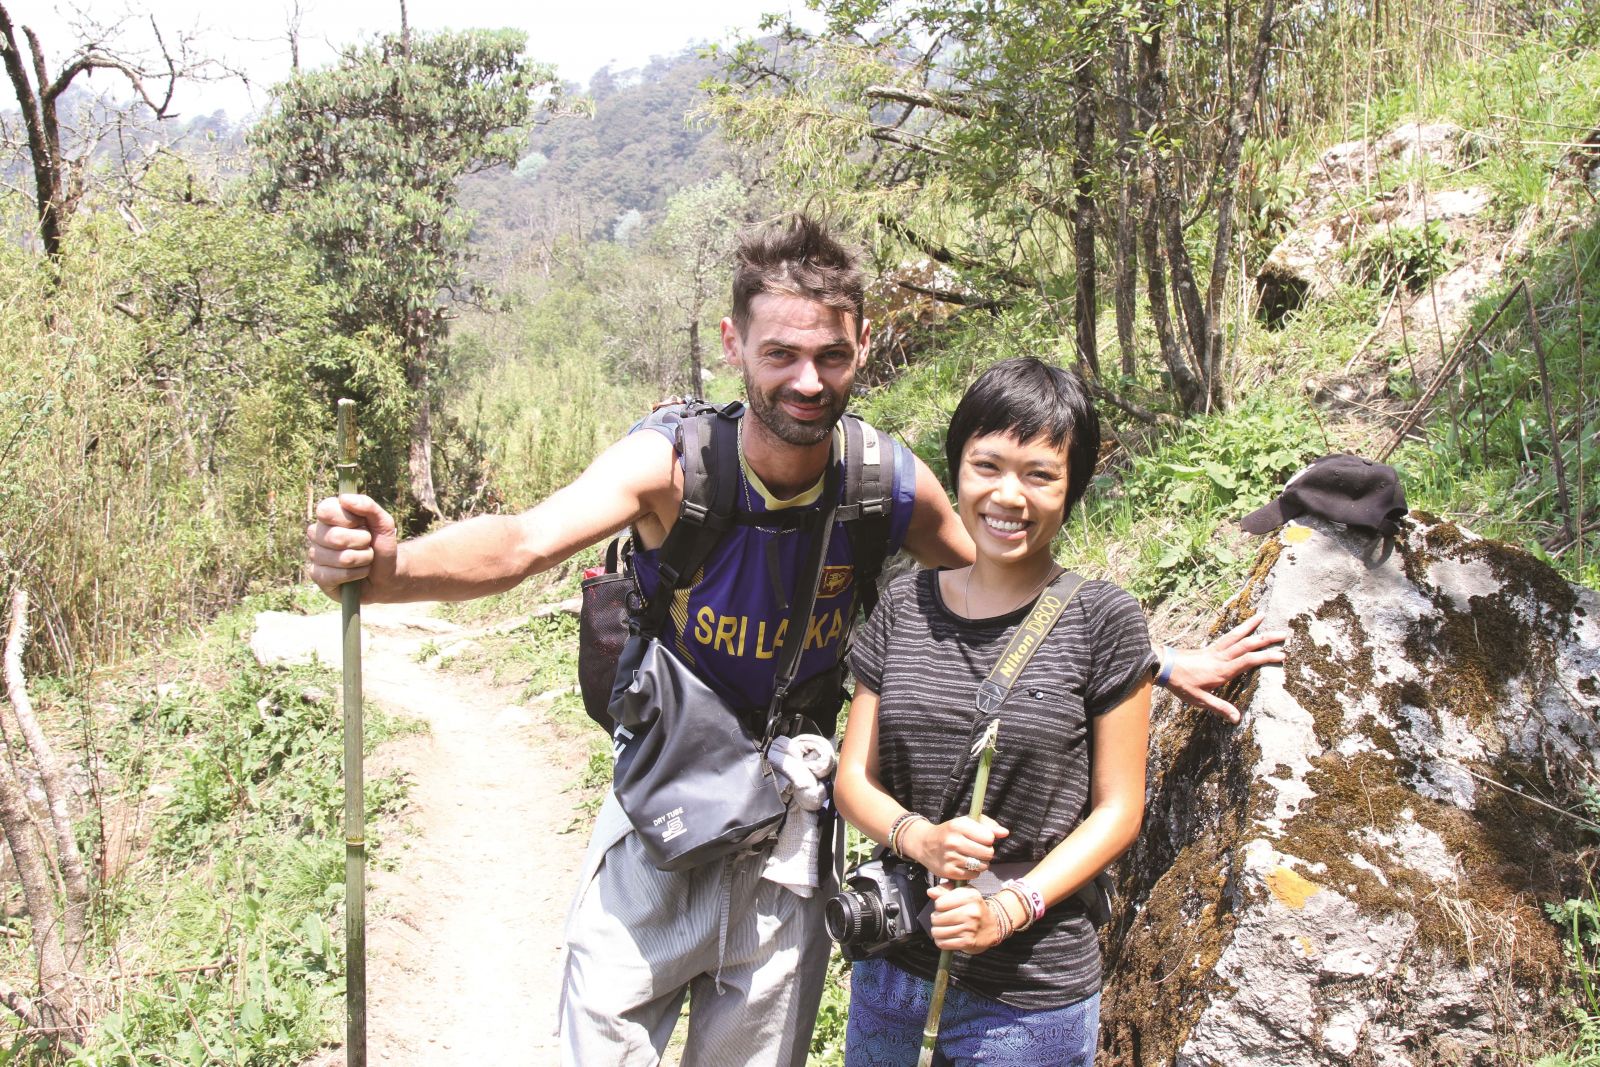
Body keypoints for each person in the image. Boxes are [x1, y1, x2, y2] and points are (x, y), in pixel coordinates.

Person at [304, 216, 1284, 1066]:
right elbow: (522, 542)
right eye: (780, 353)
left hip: (789, 832)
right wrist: (390, 570)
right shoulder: (674, 464)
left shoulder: (883, 480)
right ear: (734, 343)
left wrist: (1152, 662)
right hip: (662, 810)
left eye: (830, 355)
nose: (807, 380)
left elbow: (1010, 593)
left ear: (863, 346)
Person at [834, 358, 1150, 1066]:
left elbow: (1120, 809)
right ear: (957, 469)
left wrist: (1007, 909)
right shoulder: (904, 605)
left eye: (1040, 474)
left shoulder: (1104, 620)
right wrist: (921, 840)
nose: (1009, 495)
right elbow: (854, 779)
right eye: (988, 465)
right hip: (893, 968)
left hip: (1029, 995)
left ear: (1072, 489)